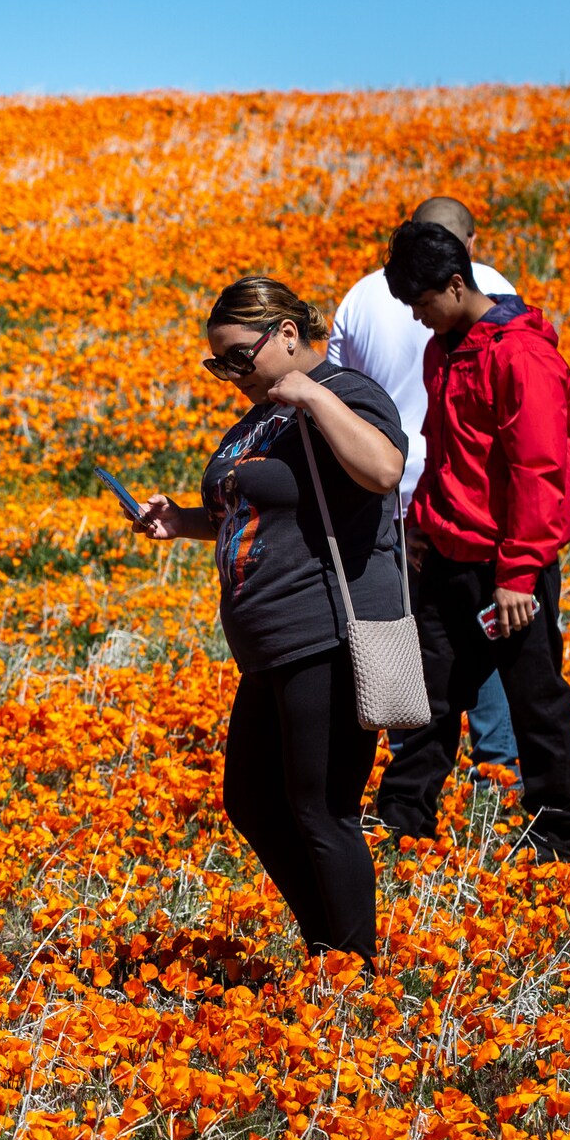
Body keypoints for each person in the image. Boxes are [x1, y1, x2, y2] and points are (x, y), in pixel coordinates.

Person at [130, 279, 406, 963]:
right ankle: (329, 948)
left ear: (287, 333)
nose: (231, 377)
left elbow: (383, 468)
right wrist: (185, 523)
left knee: (321, 808)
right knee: (252, 799)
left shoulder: (344, 389)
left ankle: (352, 970)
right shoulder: (255, 419)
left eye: (238, 359)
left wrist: (312, 394)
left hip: (326, 627)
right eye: (217, 364)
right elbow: (256, 512)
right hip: (269, 639)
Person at [370, 221, 570, 862]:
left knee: (536, 700)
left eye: (422, 303)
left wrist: (520, 571)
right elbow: (444, 454)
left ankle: (557, 836)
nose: (416, 318)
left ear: (457, 284)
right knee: (429, 696)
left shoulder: (521, 355)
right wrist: (421, 525)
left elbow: (540, 468)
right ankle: (403, 819)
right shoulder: (445, 347)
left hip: (504, 566)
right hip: (445, 553)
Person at [331, 195, 521, 770]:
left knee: (409, 635)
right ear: (468, 244)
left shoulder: (364, 294)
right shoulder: (492, 285)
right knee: (482, 636)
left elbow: (337, 393)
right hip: (471, 493)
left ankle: (412, 765)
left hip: (385, 490)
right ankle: (497, 770)